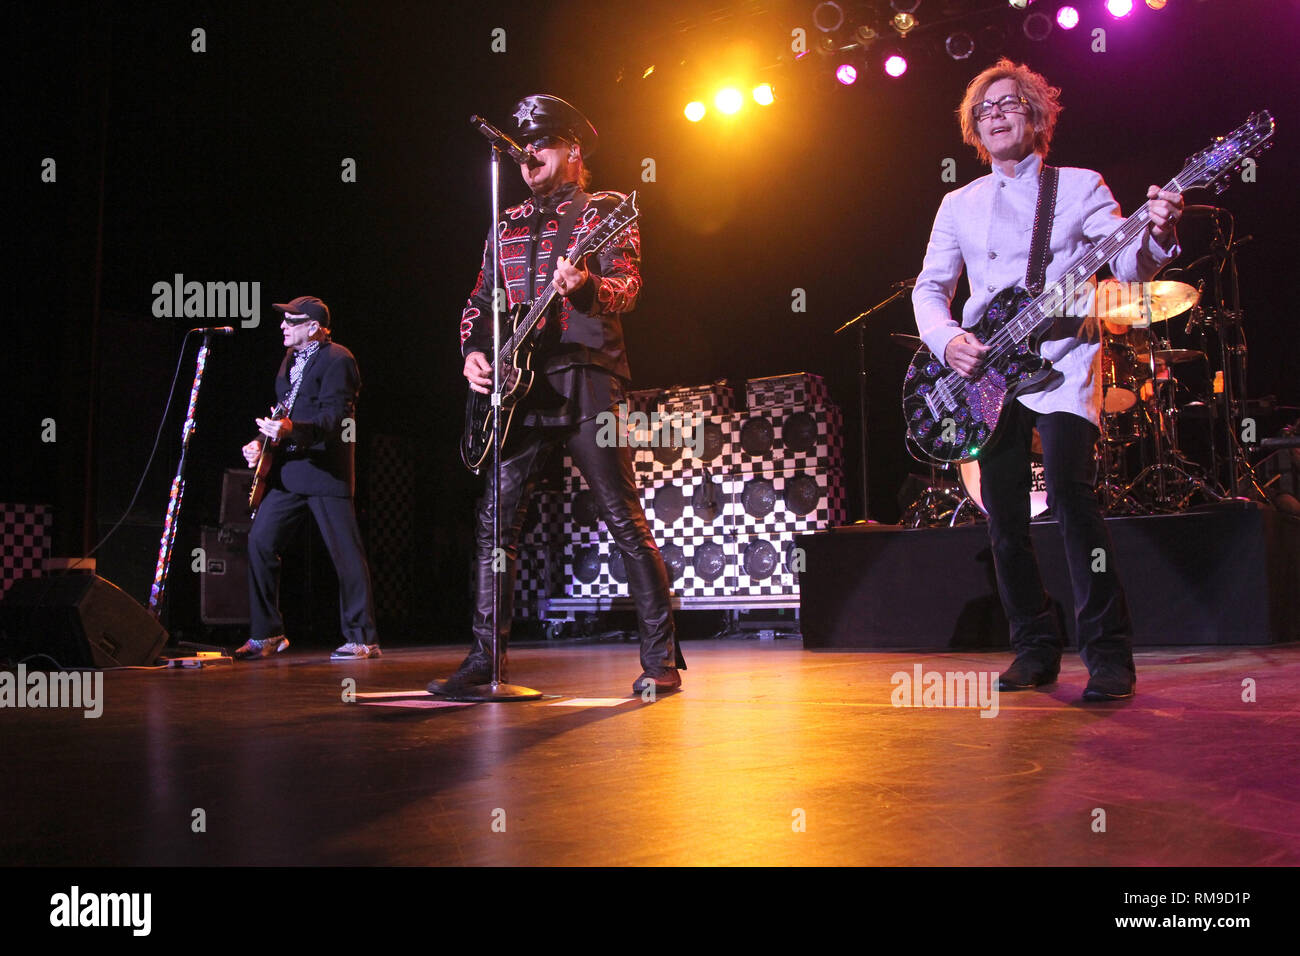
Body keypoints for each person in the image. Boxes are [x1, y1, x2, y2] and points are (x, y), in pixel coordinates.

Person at [912, 60, 1183, 701]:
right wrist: (949, 339)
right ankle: (1034, 647)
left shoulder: (1081, 185)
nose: (996, 114)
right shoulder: (959, 203)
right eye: (984, 109)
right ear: (974, 129)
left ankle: (1109, 655)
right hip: (986, 371)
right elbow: (930, 288)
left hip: (1061, 362)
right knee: (1003, 517)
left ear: (1036, 114)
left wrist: (1160, 228)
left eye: (1009, 103)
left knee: (1070, 495)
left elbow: (1126, 260)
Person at [430, 93, 683, 696]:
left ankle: (660, 659)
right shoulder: (507, 224)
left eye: (541, 142)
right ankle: (486, 659)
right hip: (519, 385)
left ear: (573, 149)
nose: (528, 155)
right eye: (521, 146)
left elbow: (629, 287)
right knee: (495, 521)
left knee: (621, 514)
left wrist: (587, 283)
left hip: (587, 374)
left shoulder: (607, 211)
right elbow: (478, 303)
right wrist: (471, 350)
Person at [233, 296, 380, 661]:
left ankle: (363, 638)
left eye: (291, 321)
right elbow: (283, 412)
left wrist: (291, 430)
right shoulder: (289, 361)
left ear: (313, 327)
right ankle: (267, 633)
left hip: (325, 472)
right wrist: (259, 442)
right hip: (289, 471)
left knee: (346, 555)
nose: (283, 326)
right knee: (260, 542)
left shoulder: (338, 359)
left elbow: (336, 420)